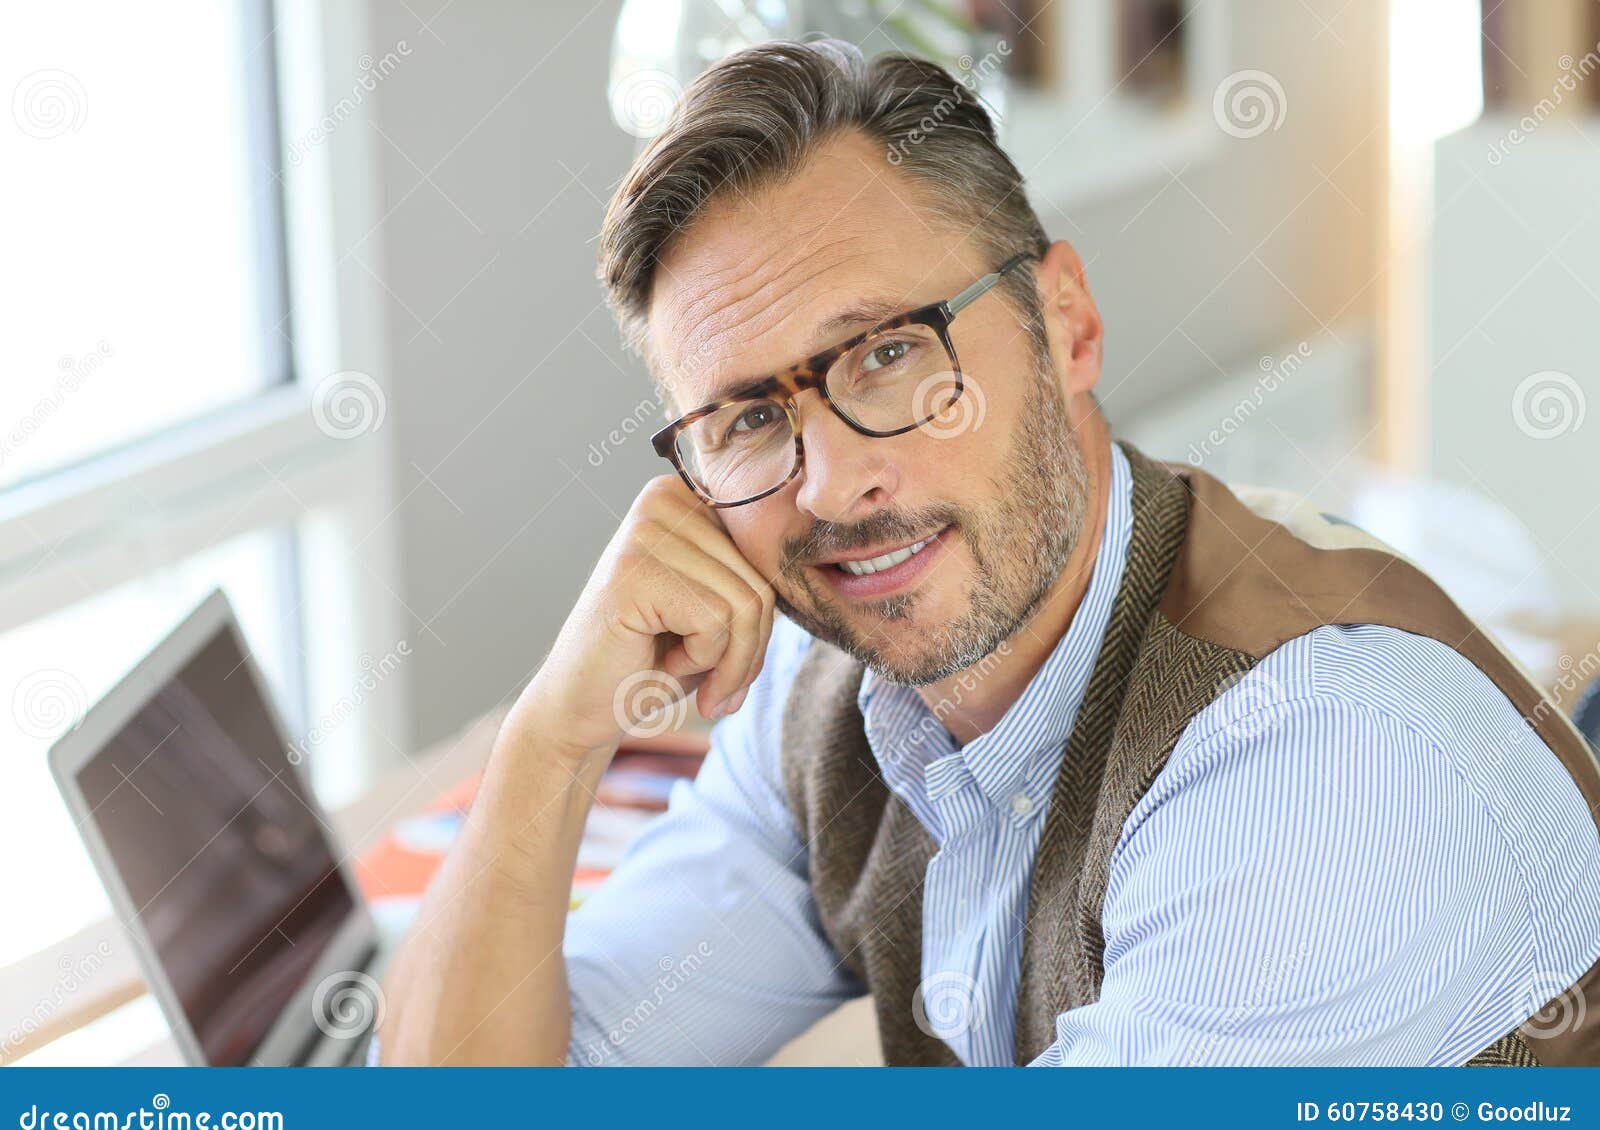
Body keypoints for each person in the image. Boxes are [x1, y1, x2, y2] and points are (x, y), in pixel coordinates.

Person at [380, 39, 1600, 1066]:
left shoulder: (1319, 758)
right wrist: (548, 737)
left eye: (889, 353)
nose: (830, 483)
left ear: (1064, 322)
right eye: (748, 418)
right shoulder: (838, 709)